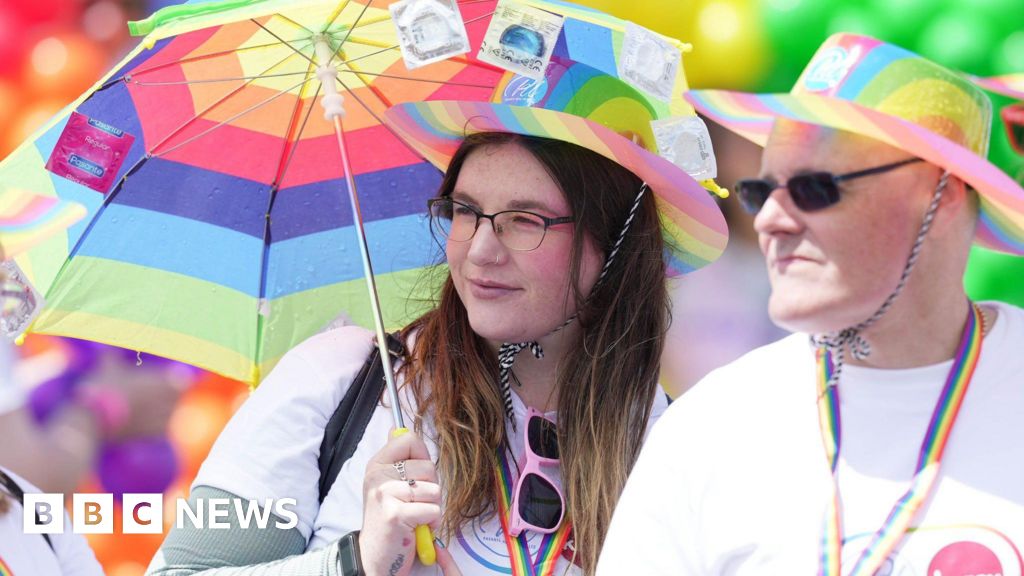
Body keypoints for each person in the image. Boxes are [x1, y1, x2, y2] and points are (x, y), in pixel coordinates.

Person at [145, 59, 728, 576]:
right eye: (466, 211)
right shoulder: (343, 380)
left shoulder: (675, 442)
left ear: (616, 246)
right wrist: (355, 563)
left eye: (526, 221)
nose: (479, 250)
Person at [599, 33, 1024, 575]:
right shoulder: (709, 429)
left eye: (816, 188)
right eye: (760, 192)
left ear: (940, 199)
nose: (770, 220)